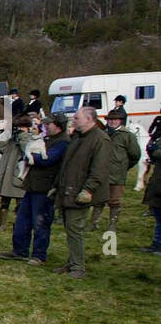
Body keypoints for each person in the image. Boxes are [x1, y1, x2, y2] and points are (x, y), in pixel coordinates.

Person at [53, 107, 112, 279]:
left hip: (81, 192)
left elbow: (99, 169)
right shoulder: (77, 137)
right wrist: (57, 185)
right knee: (69, 228)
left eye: (77, 118)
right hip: (68, 189)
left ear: (89, 119)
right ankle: (72, 262)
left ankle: (78, 267)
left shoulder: (100, 139)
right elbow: (66, 165)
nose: (74, 121)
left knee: (75, 228)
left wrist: (88, 190)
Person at [2, 113, 68, 266]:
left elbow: (47, 159)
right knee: (22, 219)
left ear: (57, 125)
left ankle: (39, 255)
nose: (45, 126)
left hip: (45, 188)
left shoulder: (62, 143)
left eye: (48, 124)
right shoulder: (47, 139)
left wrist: (30, 157)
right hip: (32, 185)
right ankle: (20, 251)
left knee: (40, 222)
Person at [94, 107, 141, 233]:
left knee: (114, 201)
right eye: (110, 120)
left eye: (115, 120)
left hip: (117, 174)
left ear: (120, 121)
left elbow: (135, 154)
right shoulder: (103, 134)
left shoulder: (127, 136)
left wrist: (123, 166)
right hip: (101, 173)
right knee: (98, 199)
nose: (112, 122)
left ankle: (112, 225)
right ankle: (94, 223)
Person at [0, 115, 30, 230]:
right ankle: (2, 225)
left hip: (19, 173)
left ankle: (19, 225)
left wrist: (22, 136)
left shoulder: (28, 138)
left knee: (20, 203)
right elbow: (3, 149)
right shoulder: (13, 139)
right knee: (4, 202)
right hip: (7, 174)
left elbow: (27, 150)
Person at [141, 136, 161, 254]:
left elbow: (157, 153)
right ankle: (156, 244)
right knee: (158, 216)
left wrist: (155, 150)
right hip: (157, 183)